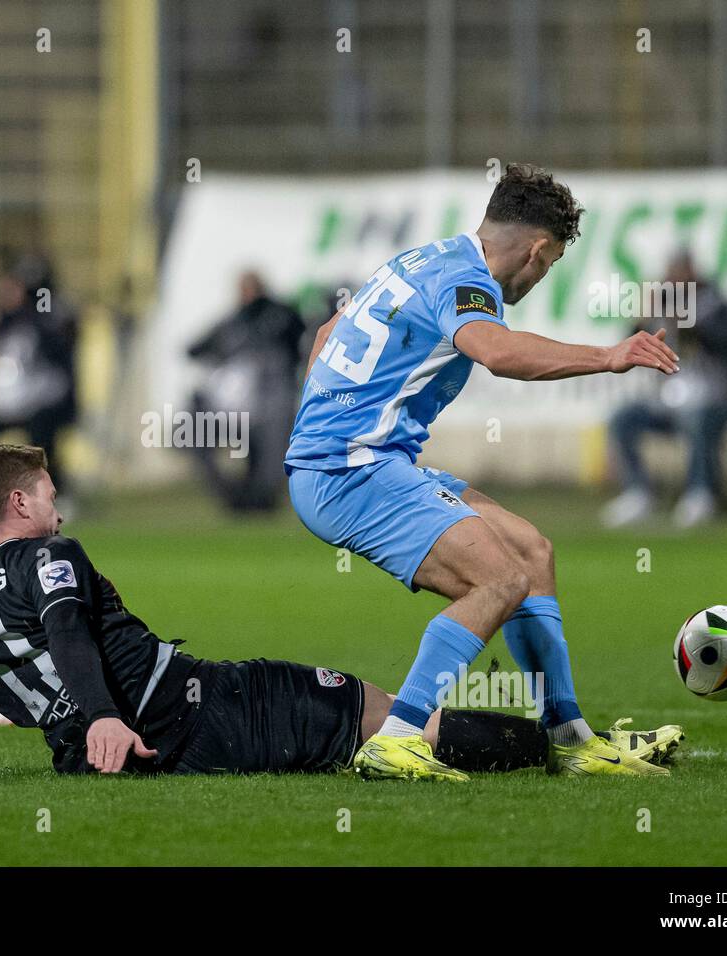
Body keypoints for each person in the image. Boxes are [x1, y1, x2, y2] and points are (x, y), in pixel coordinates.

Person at [0, 444, 682, 778]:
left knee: (365, 715)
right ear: (17, 507)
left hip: (104, 751)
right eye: (47, 492)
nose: (56, 504)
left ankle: (560, 748)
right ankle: (566, 758)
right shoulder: (45, 558)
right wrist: (99, 713)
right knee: (375, 714)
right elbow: (64, 631)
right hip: (192, 712)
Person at [285, 163, 683, 780]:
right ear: (537, 248)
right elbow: (497, 353)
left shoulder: (422, 259)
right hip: (349, 469)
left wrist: (323, 420)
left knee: (531, 552)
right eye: (547, 266)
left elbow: (326, 332)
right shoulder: (469, 283)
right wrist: (609, 355)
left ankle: (571, 736)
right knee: (498, 581)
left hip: (357, 457)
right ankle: (397, 736)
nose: (540, 276)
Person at [602, 251, 727, 528]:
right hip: (669, 400)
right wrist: (645, 316)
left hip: (713, 398)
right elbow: (628, 343)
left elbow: (722, 341)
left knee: (696, 420)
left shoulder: (716, 305)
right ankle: (638, 492)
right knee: (623, 418)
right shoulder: (662, 305)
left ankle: (699, 493)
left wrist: (685, 320)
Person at [186, 271, 305, 511]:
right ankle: (235, 496)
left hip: (272, 404)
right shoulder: (232, 324)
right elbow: (194, 349)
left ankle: (260, 499)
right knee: (192, 428)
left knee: (269, 462)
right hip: (236, 407)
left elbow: (300, 344)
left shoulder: (281, 317)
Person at [0, 255, 78, 496]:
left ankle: (56, 494)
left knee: (42, 447)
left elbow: (58, 347)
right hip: (14, 400)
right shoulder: (10, 318)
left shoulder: (52, 313)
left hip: (43, 398)